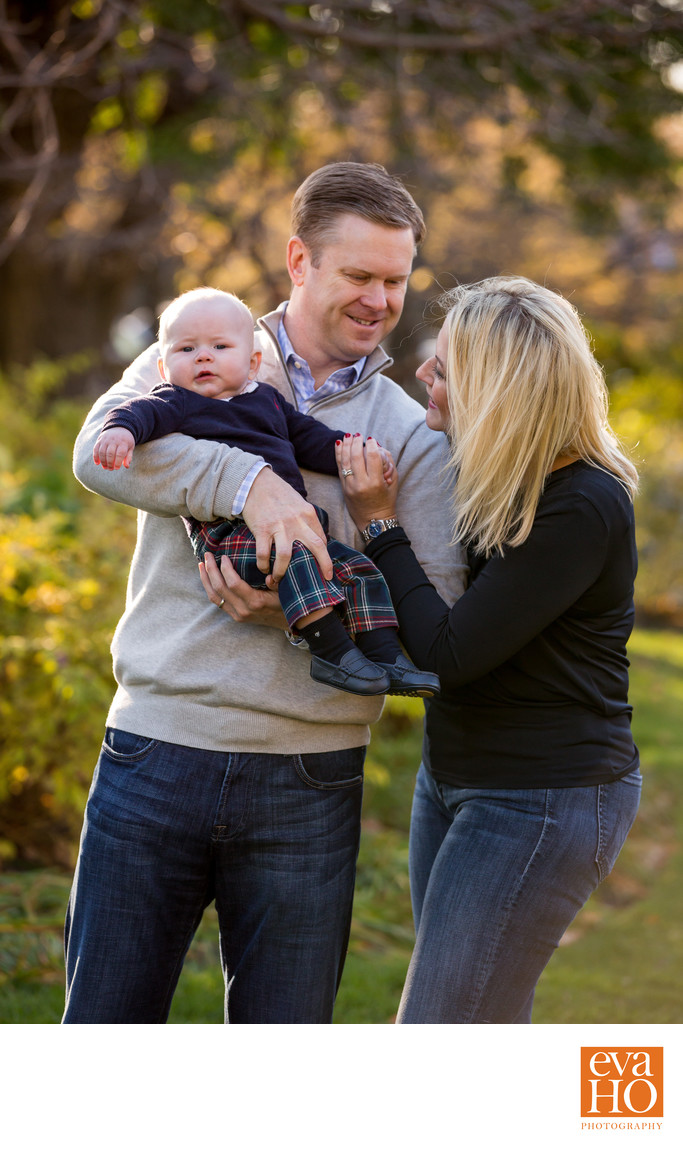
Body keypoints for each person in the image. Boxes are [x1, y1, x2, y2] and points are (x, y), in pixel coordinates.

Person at [65, 162, 467, 1024]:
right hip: (157, 750)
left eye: (395, 280)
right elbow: (99, 452)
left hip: (309, 778)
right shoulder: (203, 345)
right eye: (357, 275)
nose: (378, 300)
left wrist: (298, 608)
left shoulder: (405, 432)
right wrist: (250, 481)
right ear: (298, 261)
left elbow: (432, 601)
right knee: (101, 1042)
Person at [337, 275, 641, 1024]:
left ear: (494, 385)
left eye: (441, 369)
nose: (420, 375)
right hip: (453, 777)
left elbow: (445, 651)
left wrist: (378, 525)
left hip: (543, 796)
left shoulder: (580, 504)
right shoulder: (494, 477)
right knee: (482, 1018)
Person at [93, 286, 439, 699]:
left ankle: (386, 658)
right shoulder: (177, 402)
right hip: (229, 536)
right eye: (186, 349)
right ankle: (332, 653)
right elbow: (140, 412)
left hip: (297, 535)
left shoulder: (267, 401)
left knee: (358, 570)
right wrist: (119, 431)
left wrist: (357, 453)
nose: (203, 356)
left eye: (220, 346)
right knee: (297, 559)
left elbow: (312, 440)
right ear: (165, 369)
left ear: (253, 362)